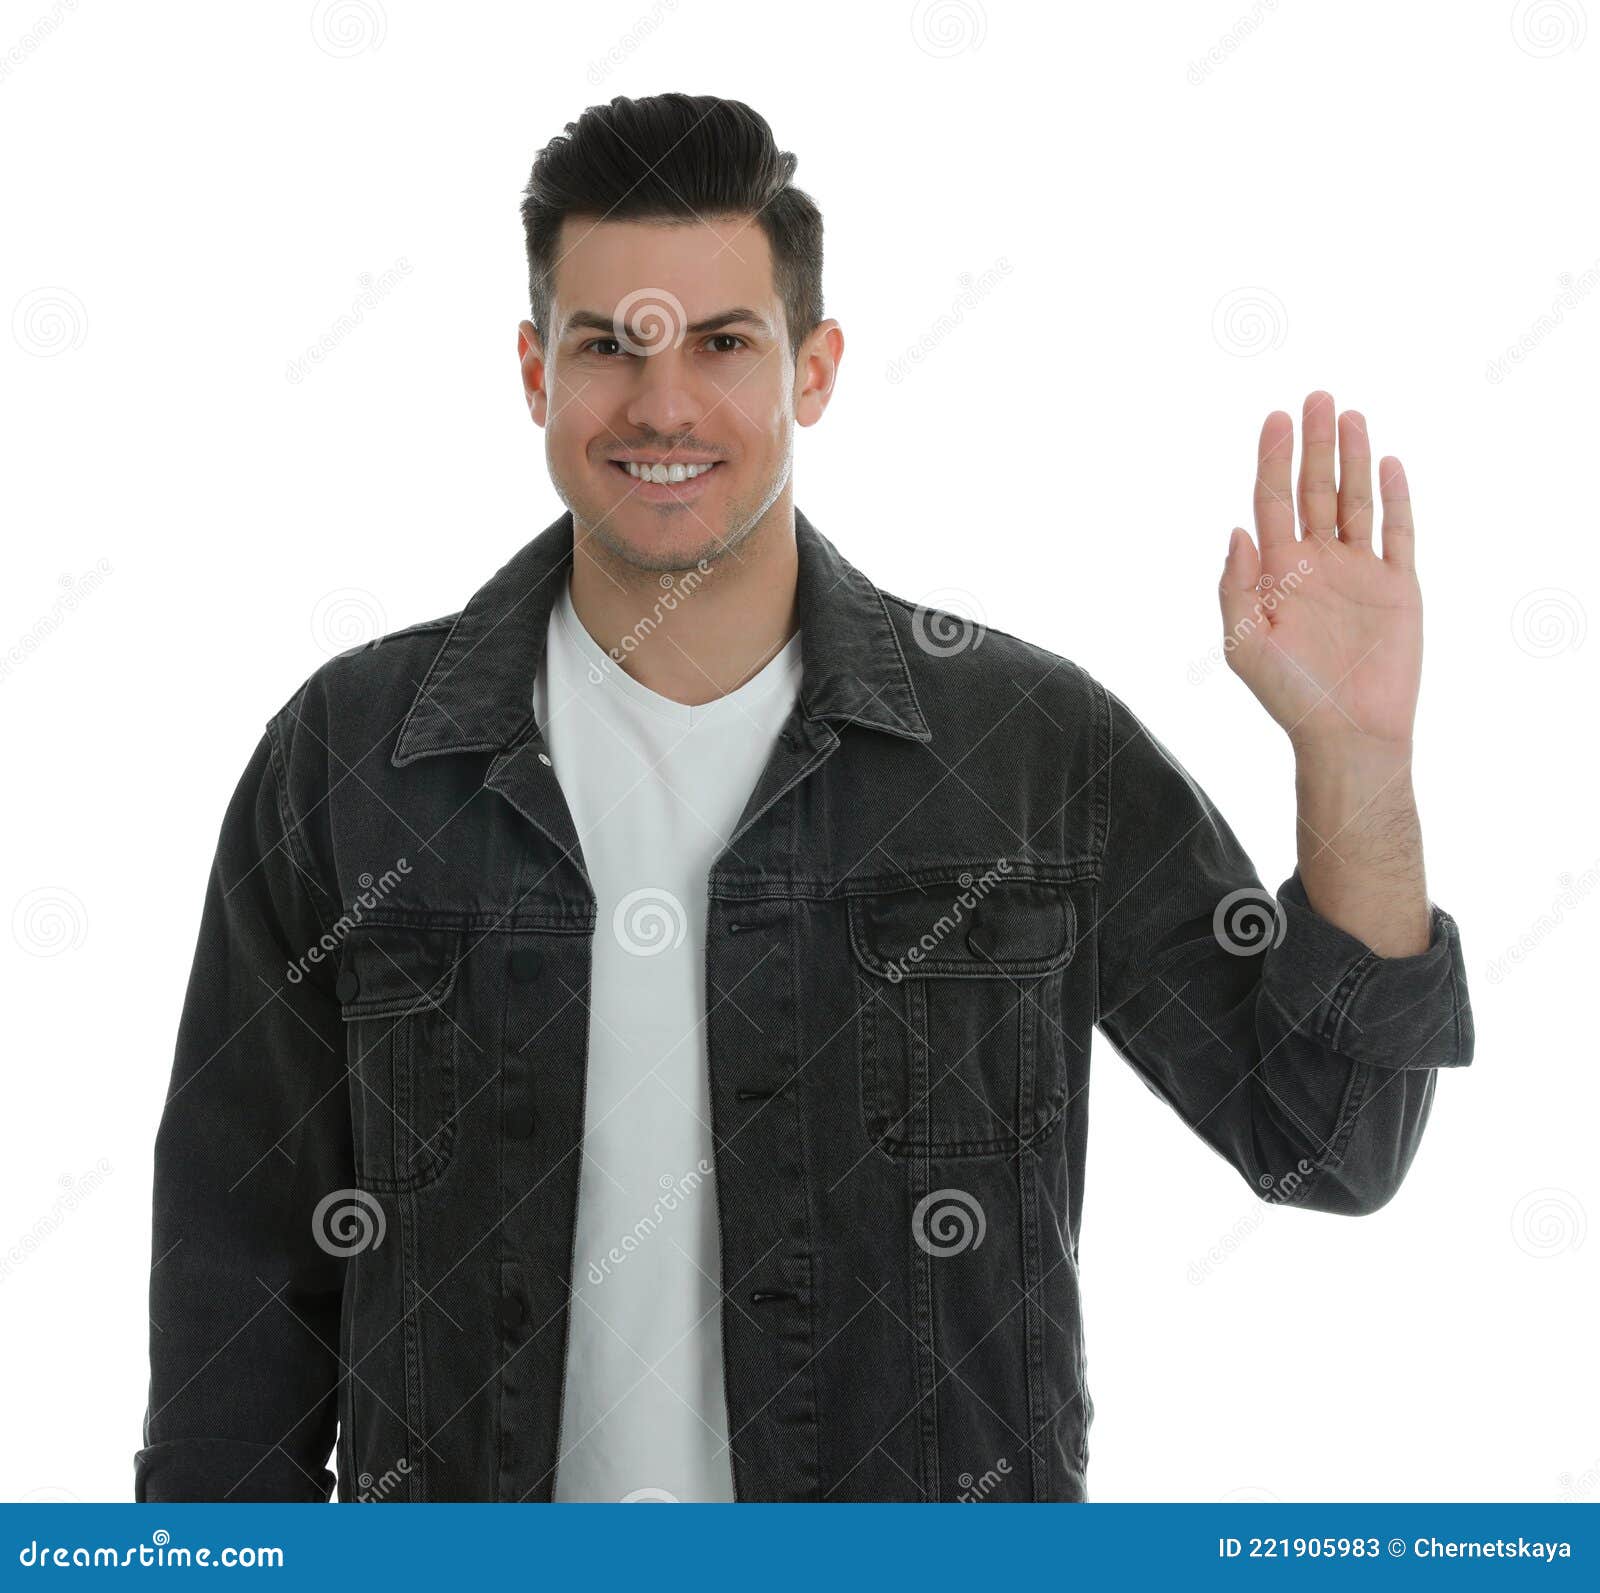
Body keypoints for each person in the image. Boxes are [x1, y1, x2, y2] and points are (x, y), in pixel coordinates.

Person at [136, 92, 1474, 1504]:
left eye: (724, 342)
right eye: (608, 345)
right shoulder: (355, 759)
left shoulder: (1023, 749)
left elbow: (1332, 1137)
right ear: (536, 372)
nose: (663, 404)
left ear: (813, 368)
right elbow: (239, 1288)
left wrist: (1358, 764)